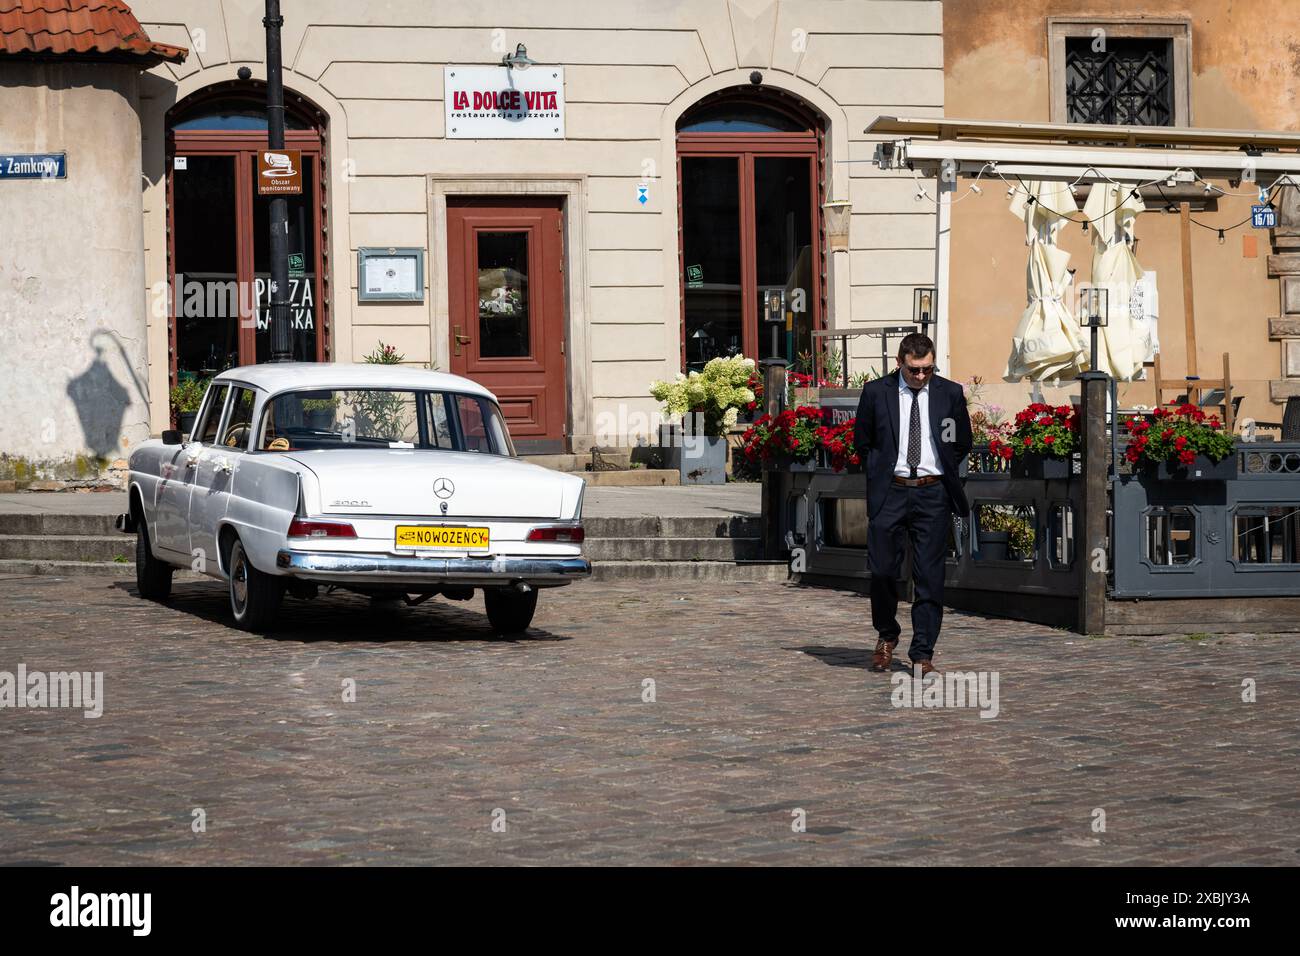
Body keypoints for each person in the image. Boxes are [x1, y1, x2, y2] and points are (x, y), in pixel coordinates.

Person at [852, 334, 972, 675]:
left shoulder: (949, 392)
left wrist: (939, 471)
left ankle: (922, 654)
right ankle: (886, 635)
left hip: (932, 493)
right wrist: (880, 470)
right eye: (914, 370)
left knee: (930, 577)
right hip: (890, 491)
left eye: (927, 370)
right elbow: (863, 440)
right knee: (882, 571)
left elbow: (961, 441)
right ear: (900, 363)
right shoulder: (877, 392)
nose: (920, 377)